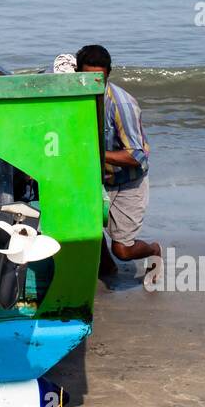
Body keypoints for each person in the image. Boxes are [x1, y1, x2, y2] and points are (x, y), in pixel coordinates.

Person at [75, 44, 160, 271]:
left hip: (128, 181)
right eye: (87, 77)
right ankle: (107, 269)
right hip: (97, 178)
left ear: (108, 75)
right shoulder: (75, 99)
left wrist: (95, 155)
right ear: (76, 73)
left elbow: (137, 156)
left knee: (122, 250)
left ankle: (153, 250)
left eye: (99, 79)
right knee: (88, 233)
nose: (93, 84)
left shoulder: (121, 104)